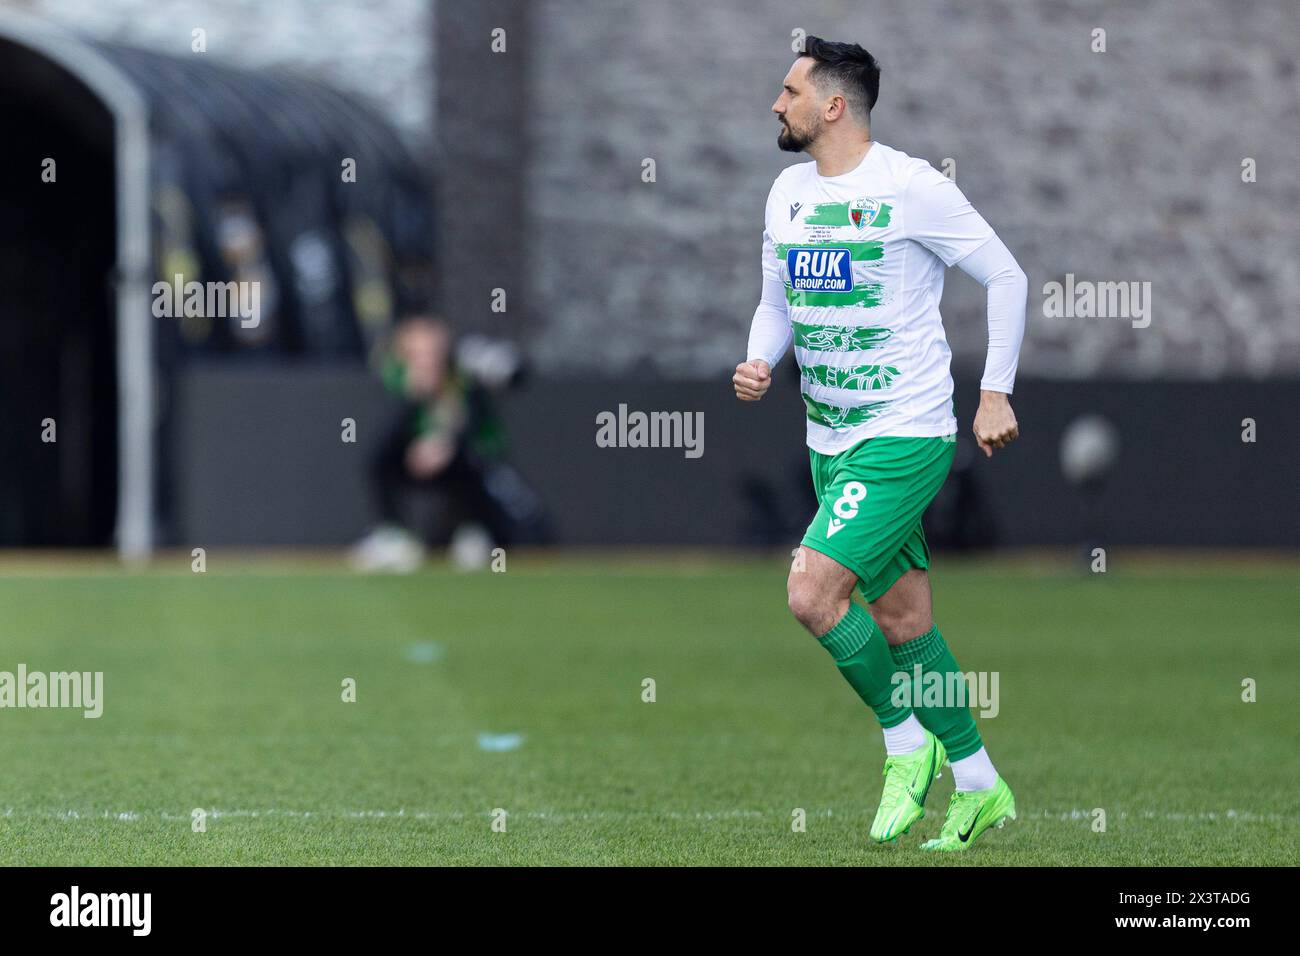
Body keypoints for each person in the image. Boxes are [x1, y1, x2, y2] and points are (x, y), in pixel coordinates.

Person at [733, 37, 1027, 851]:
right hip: (830, 438)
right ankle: (979, 783)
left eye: (789, 90)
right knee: (902, 624)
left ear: (833, 106)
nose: (775, 103)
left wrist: (994, 391)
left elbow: (1007, 276)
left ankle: (905, 743)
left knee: (811, 593)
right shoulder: (787, 194)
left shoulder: (911, 187)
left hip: (903, 434)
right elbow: (776, 303)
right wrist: (762, 358)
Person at [351, 316, 548, 571]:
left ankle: (475, 532)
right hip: (413, 462)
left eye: (431, 351)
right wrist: (414, 398)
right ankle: (395, 534)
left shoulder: (465, 376)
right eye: (416, 353)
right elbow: (387, 437)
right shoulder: (396, 379)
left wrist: (447, 444)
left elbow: (485, 423)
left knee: (478, 464)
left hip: (459, 462)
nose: (425, 359)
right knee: (378, 459)